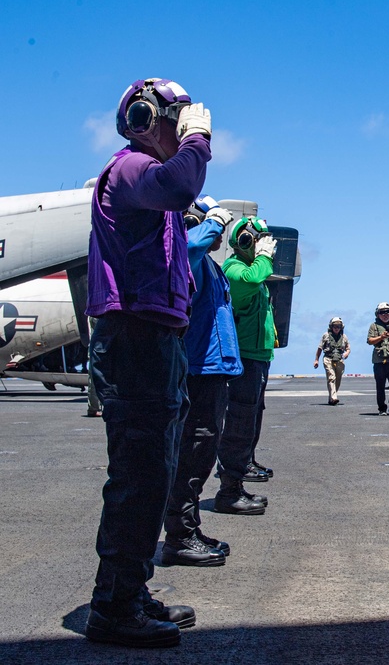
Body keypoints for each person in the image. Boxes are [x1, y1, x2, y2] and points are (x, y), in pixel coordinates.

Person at [85, 77, 211, 647]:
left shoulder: (145, 178)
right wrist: (199, 140)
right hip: (135, 340)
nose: (181, 129)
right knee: (139, 476)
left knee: (152, 471)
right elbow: (181, 184)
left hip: (151, 341)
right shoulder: (132, 168)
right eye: (175, 119)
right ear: (144, 118)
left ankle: (128, 590)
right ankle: (113, 608)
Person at [161, 196, 243, 567]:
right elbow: (188, 244)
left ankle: (188, 528)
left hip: (213, 370)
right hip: (197, 369)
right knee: (192, 453)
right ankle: (179, 537)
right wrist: (211, 220)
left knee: (203, 451)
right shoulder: (186, 255)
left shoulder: (209, 264)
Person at [215, 216, 277, 515]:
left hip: (258, 355)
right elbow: (252, 279)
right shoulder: (235, 269)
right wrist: (264, 256)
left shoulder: (254, 271)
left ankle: (238, 478)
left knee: (250, 418)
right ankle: (229, 489)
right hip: (244, 357)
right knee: (239, 422)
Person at [314, 317, 350, 405]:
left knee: (338, 379)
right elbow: (319, 348)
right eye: (335, 326)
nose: (336, 328)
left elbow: (348, 348)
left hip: (339, 360)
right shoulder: (326, 335)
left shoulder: (344, 337)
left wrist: (347, 353)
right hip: (328, 359)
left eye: (338, 326)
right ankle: (334, 398)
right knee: (331, 378)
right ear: (331, 327)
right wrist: (316, 360)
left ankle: (331, 397)